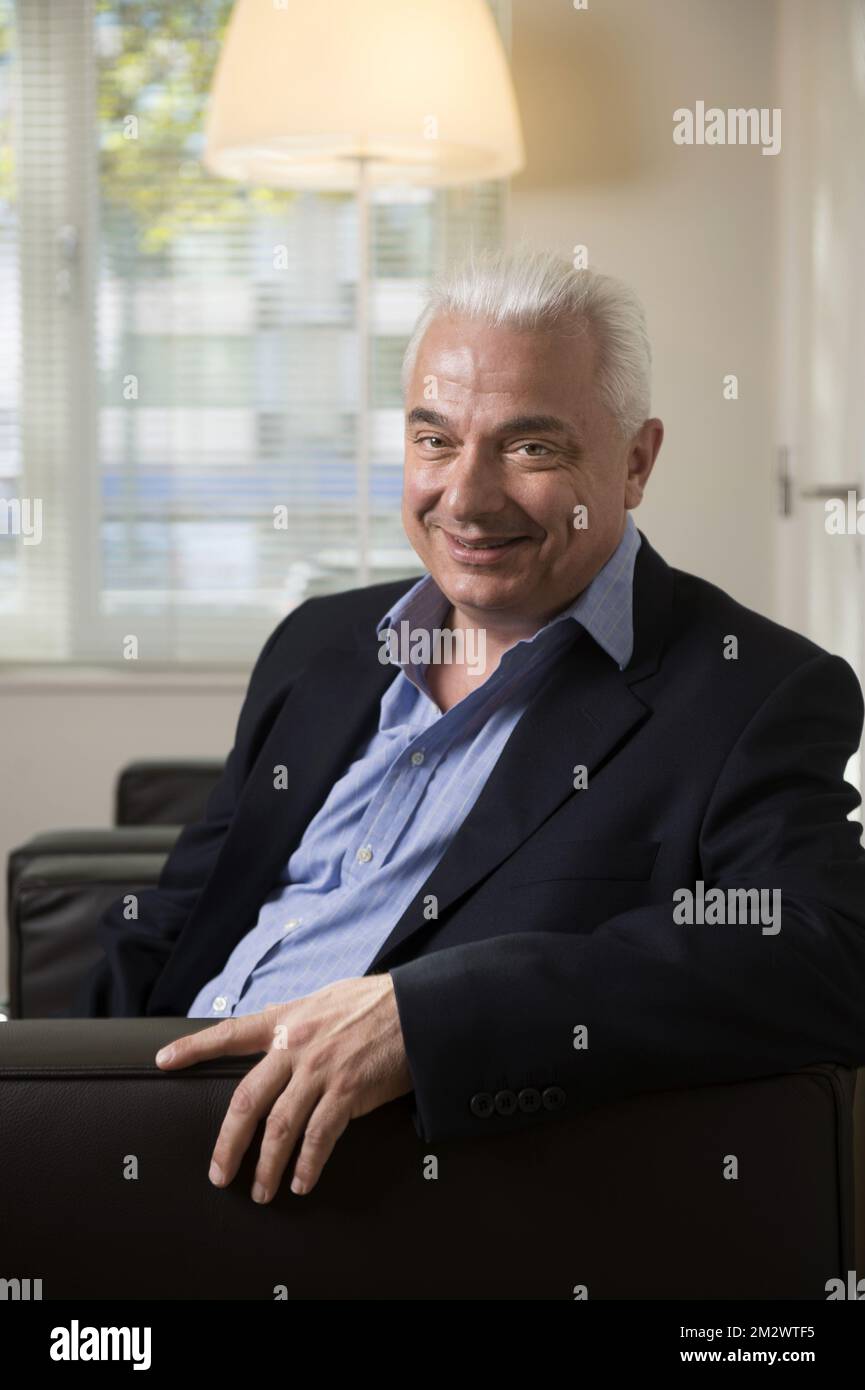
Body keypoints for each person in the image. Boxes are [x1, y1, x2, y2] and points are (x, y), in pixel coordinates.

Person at [72, 247, 865, 1209]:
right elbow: (187, 912)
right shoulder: (319, 644)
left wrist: (430, 1018)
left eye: (531, 448)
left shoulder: (752, 693)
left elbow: (826, 953)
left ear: (636, 461)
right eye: (435, 439)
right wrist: (59, 1093)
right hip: (134, 1144)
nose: (468, 497)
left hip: (379, 1201)